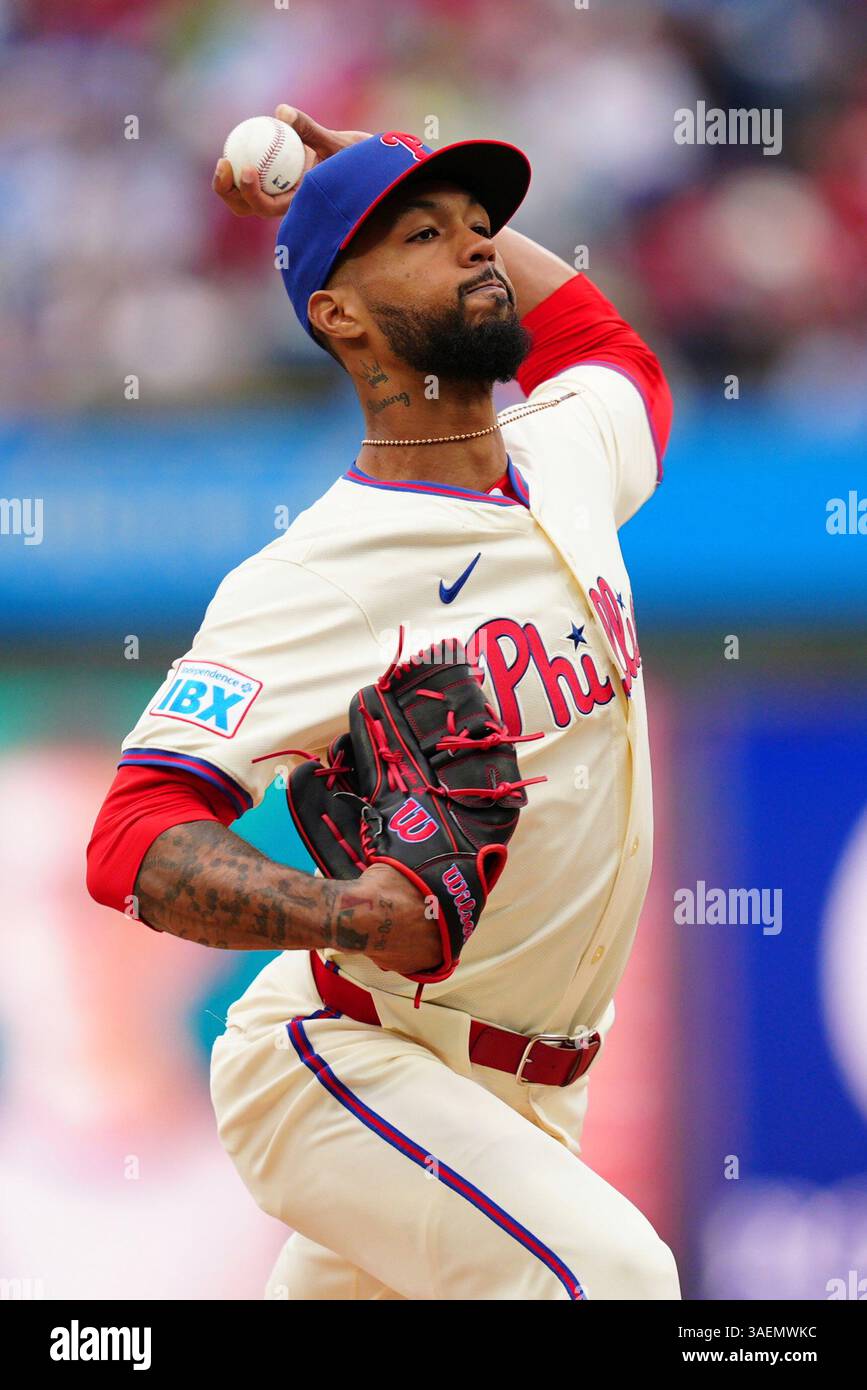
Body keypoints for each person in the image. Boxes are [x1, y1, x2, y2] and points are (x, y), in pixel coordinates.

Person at [87, 107, 680, 1301]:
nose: (475, 249)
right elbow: (130, 836)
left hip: (521, 1094)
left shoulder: (565, 450)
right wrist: (348, 912)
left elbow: (609, 345)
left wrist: (379, 157)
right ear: (338, 314)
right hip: (347, 1052)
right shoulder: (316, 573)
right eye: (426, 233)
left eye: (481, 227)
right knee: (611, 1281)